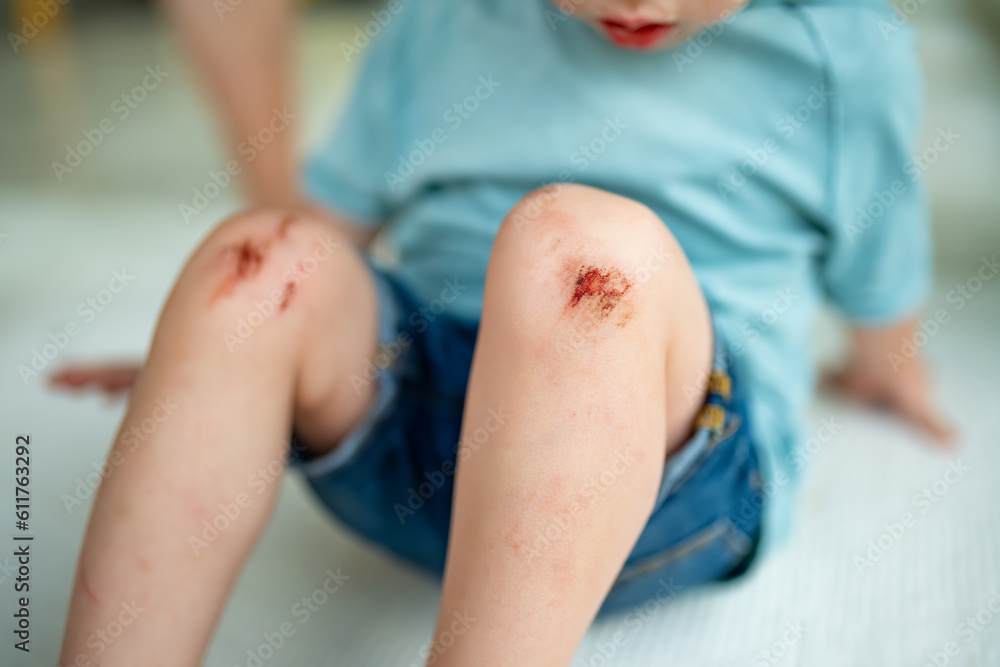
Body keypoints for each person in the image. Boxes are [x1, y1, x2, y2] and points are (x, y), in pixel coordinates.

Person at [56, 0, 954, 664]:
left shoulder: (842, 53)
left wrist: (891, 361)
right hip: (426, 438)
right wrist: (223, 359)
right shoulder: (441, 22)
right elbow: (329, 240)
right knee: (255, 256)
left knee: (579, 255)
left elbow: (879, 257)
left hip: (669, 473)